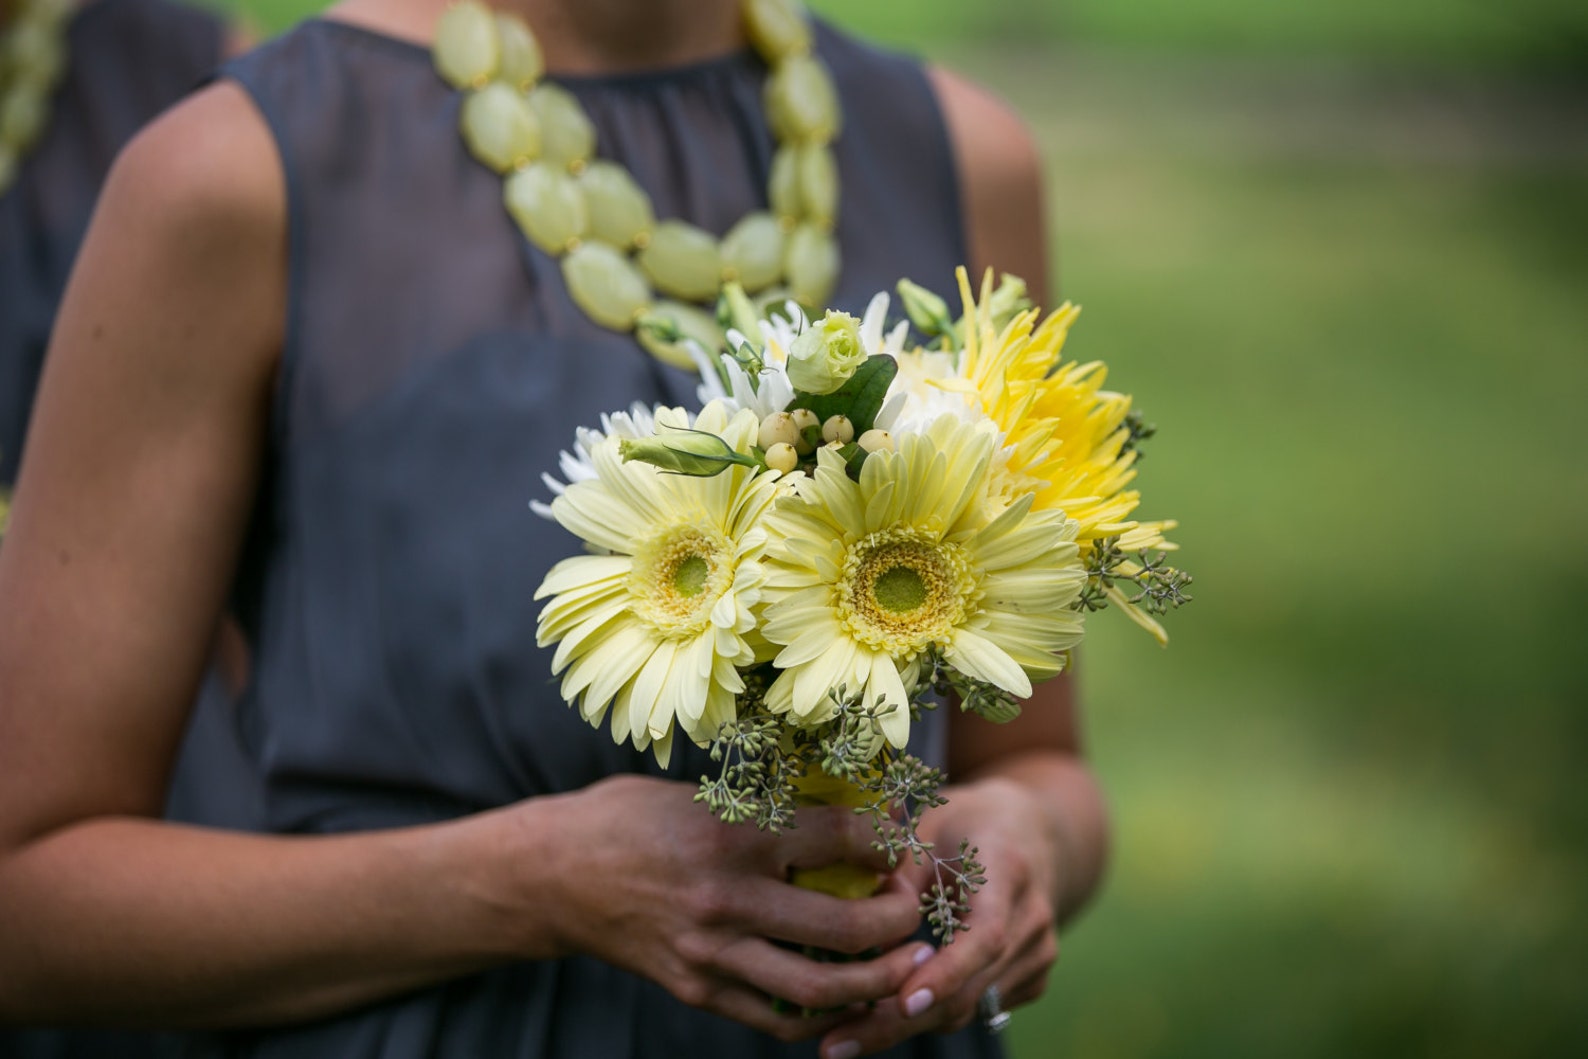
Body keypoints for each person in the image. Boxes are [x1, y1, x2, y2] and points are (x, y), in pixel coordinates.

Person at [0, 1, 1109, 1056]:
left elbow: (1042, 763)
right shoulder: (239, 176)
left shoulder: (960, 155)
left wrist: (1026, 841)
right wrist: (532, 882)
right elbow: (28, 902)